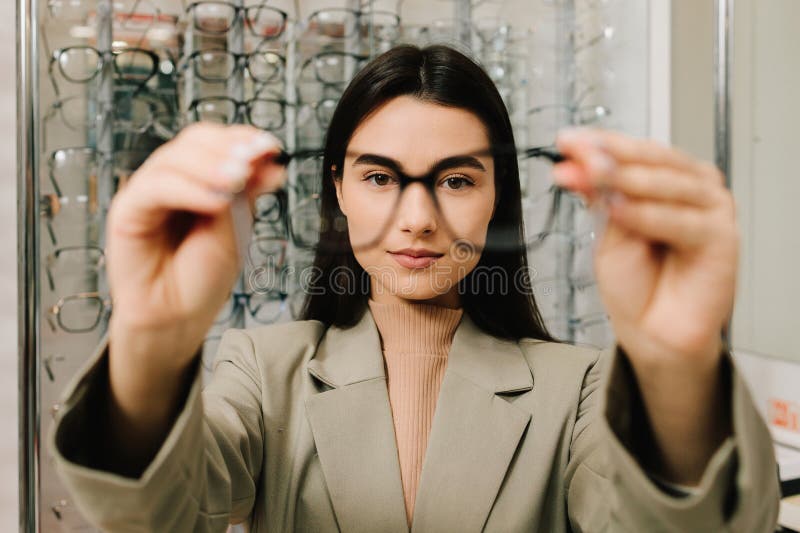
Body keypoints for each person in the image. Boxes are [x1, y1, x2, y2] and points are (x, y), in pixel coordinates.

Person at [49, 44, 779, 532]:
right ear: (338, 189)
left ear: (499, 197)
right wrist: (151, 337)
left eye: (457, 179)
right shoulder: (267, 371)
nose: (419, 219)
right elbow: (155, 512)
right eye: (380, 177)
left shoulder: (579, 387)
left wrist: (678, 363)